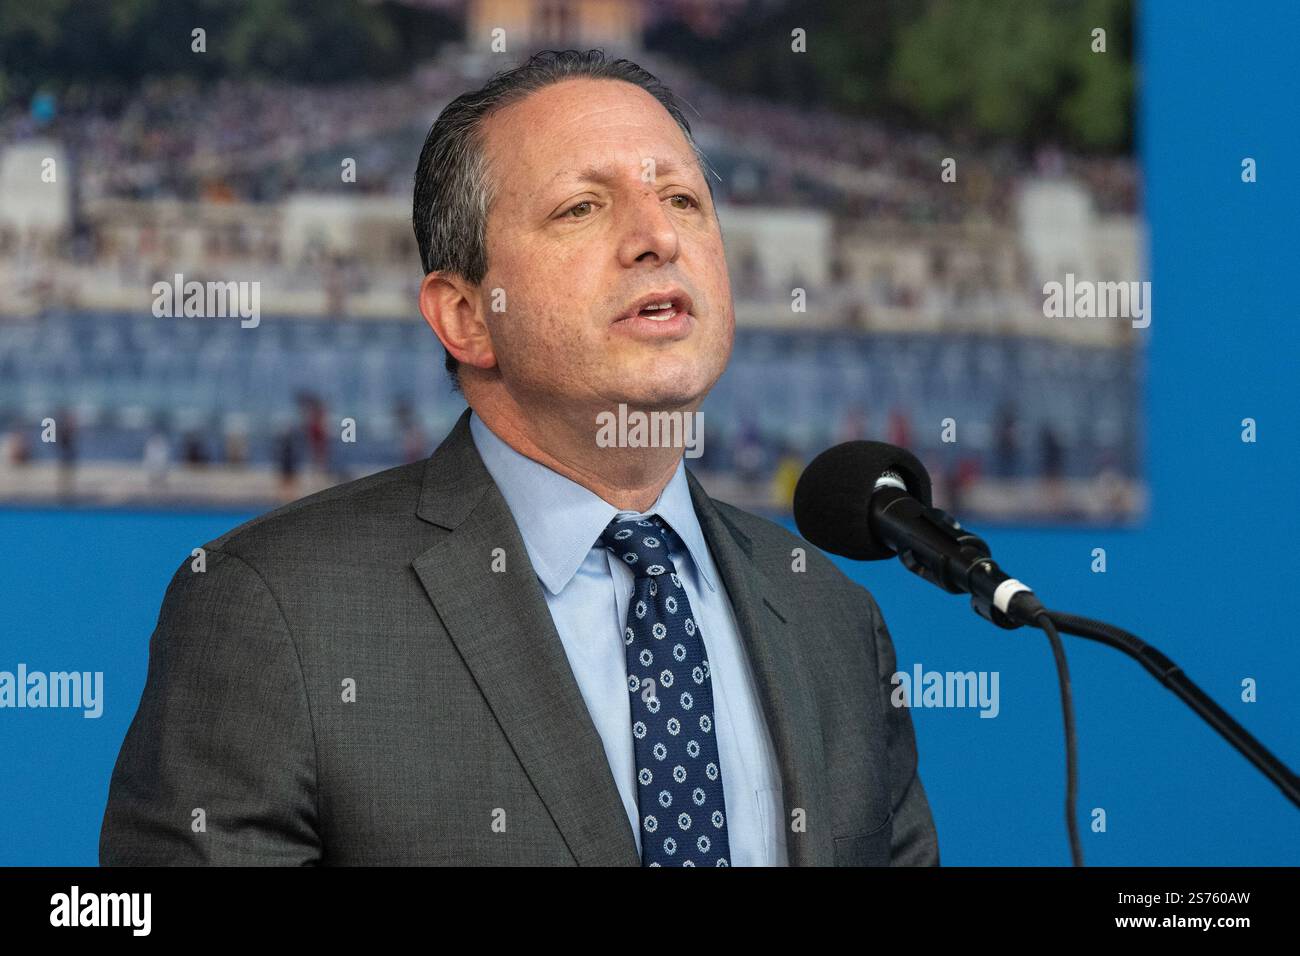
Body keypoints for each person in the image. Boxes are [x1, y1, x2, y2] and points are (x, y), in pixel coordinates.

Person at [101, 50, 938, 867]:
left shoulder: (834, 622)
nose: (657, 238)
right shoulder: (276, 613)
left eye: (684, 199)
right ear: (466, 315)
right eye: (581, 208)